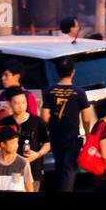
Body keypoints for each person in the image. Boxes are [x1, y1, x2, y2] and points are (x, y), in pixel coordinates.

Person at [41, 58, 93, 192]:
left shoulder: (49, 91)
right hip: (72, 136)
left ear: (57, 72)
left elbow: (45, 117)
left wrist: (49, 129)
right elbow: (86, 118)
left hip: (55, 135)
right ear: (73, 72)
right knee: (69, 168)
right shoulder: (79, 92)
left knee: (59, 166)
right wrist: (87, 135)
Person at [2, 87, 49, 188]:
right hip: (11, 171)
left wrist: (37, 154)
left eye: (23, 102)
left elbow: (47, 143)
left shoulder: (37, 121)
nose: (21, 106)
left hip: (33, 170)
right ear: (10, 104)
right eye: (17, 103)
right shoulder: (4, 123)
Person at [0, 125, 35, 192]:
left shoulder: (23, 162)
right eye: (13, 143)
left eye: (17, 142)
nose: (16, 146)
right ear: (3, 144)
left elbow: (29, 188)